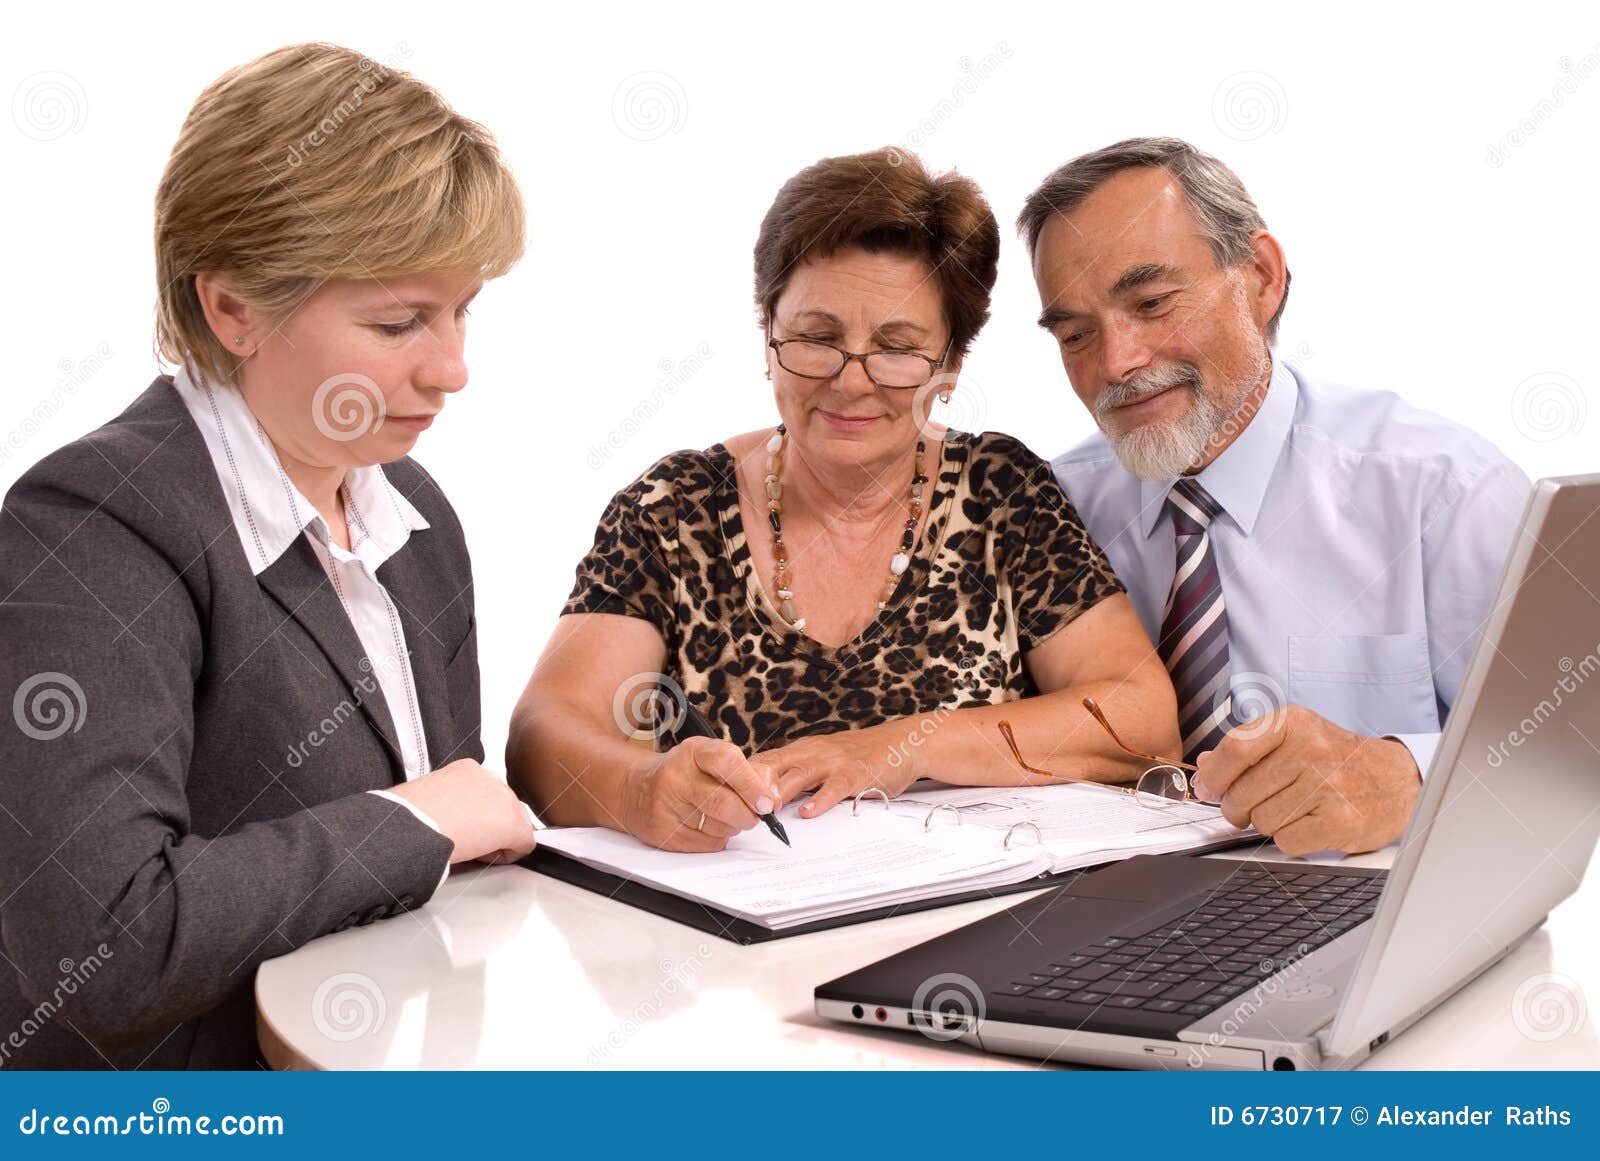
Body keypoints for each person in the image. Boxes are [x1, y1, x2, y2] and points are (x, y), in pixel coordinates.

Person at [0, 43, 534, 1069]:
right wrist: (407, 823)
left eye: (463, 309)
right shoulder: (91, 523)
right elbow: (105, 945)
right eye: (399, 321)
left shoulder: (412, 513)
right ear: (233, 308)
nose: (453, 368)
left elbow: (455, 848)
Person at [507, 147, 1179, 852]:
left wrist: (898, 749)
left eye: (897, 347)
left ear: (951, 366)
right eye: (817, 338)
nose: (851, 381)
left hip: (971, 907)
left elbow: (1141, 720)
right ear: (768, 337)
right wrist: (638, 789)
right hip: (737, 917)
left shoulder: (1003, 493)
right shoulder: (673, 510)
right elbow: (540, 735)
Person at [1022, 137, 1531, 856]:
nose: (1116, 362)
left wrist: (1414, 778)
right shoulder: (1050, 513)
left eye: (1153, 303)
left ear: (1261, 278)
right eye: (1076, 334)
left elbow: (1572, 738)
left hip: (1374, 912)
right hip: (1118, 914)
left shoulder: (1443, 489)